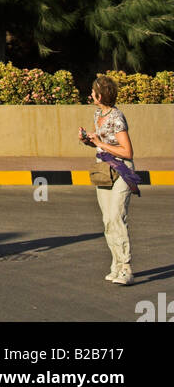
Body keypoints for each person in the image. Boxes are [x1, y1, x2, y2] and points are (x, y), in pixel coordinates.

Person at [79, 74, 137, 286]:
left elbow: (127, 151)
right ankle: (115, 265)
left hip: (121, 170)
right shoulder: (98, 114)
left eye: (93, 92)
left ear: (100, 95)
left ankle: (126, 268)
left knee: (116, 216)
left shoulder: (117, 117)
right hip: (104, 170)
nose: (91, 95)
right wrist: (89, 140)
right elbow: (101, 143)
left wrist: (100, 144)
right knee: (107, 220)